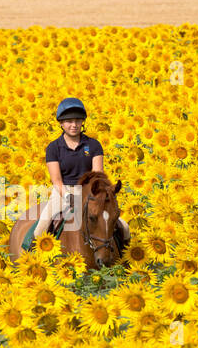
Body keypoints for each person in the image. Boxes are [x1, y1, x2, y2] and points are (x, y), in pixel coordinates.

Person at [24, 97, 130, 255]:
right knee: (40, 228)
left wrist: (92, 194)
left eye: (77, 121)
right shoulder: (53, 148)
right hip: (62, 192)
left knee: (125, 228)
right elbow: (56, 180)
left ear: (83, 122)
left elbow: (98, 176)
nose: (74, 125)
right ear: (61, 123)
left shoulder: (93, 145)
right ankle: (33, 259)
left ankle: (124, 260)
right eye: (69, 121)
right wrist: (67, 196)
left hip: (90, 193)